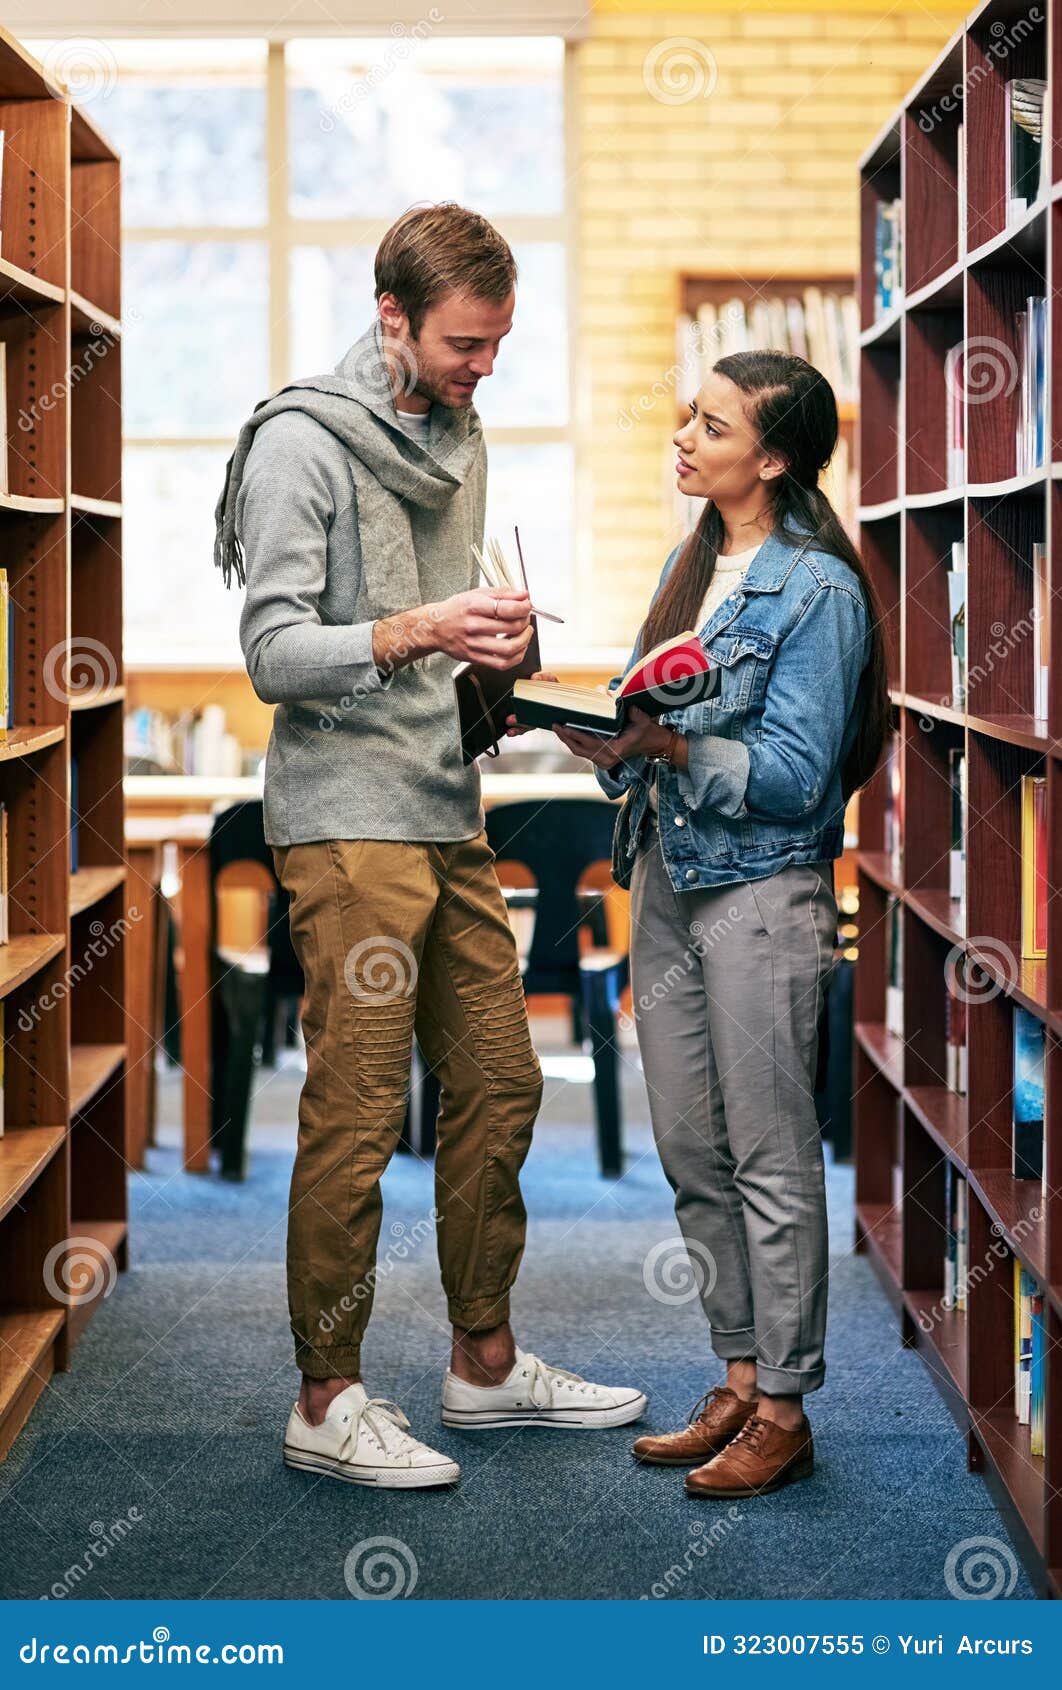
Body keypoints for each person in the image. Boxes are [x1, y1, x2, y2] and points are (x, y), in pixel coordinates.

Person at [213, 202, 646, 1490]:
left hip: (447, 803)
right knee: (357, 1108)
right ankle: (325, 1396)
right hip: (347, 819)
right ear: (391, 316)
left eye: (500, 342)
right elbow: (273, 653)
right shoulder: (300, 443)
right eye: (465, 343)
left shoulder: (461, 432)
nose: (484, 367)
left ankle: (483, 1361)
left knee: (505, 1080)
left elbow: (447, 655)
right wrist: (421, 627)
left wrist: (517, 678)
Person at [534, 350, 888, 1498]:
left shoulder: (818, 589)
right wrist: (607, 739)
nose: (684, 437)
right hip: (666, 876)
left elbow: (799, 777)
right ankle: (738, 1376)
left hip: (763, 891)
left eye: (714, 425)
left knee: (770, 1150)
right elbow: (648, 730)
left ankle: (785, 1408)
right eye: (690, 416)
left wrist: (675, 745)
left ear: (773, 460)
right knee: (690, 1146)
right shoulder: (693, 566)